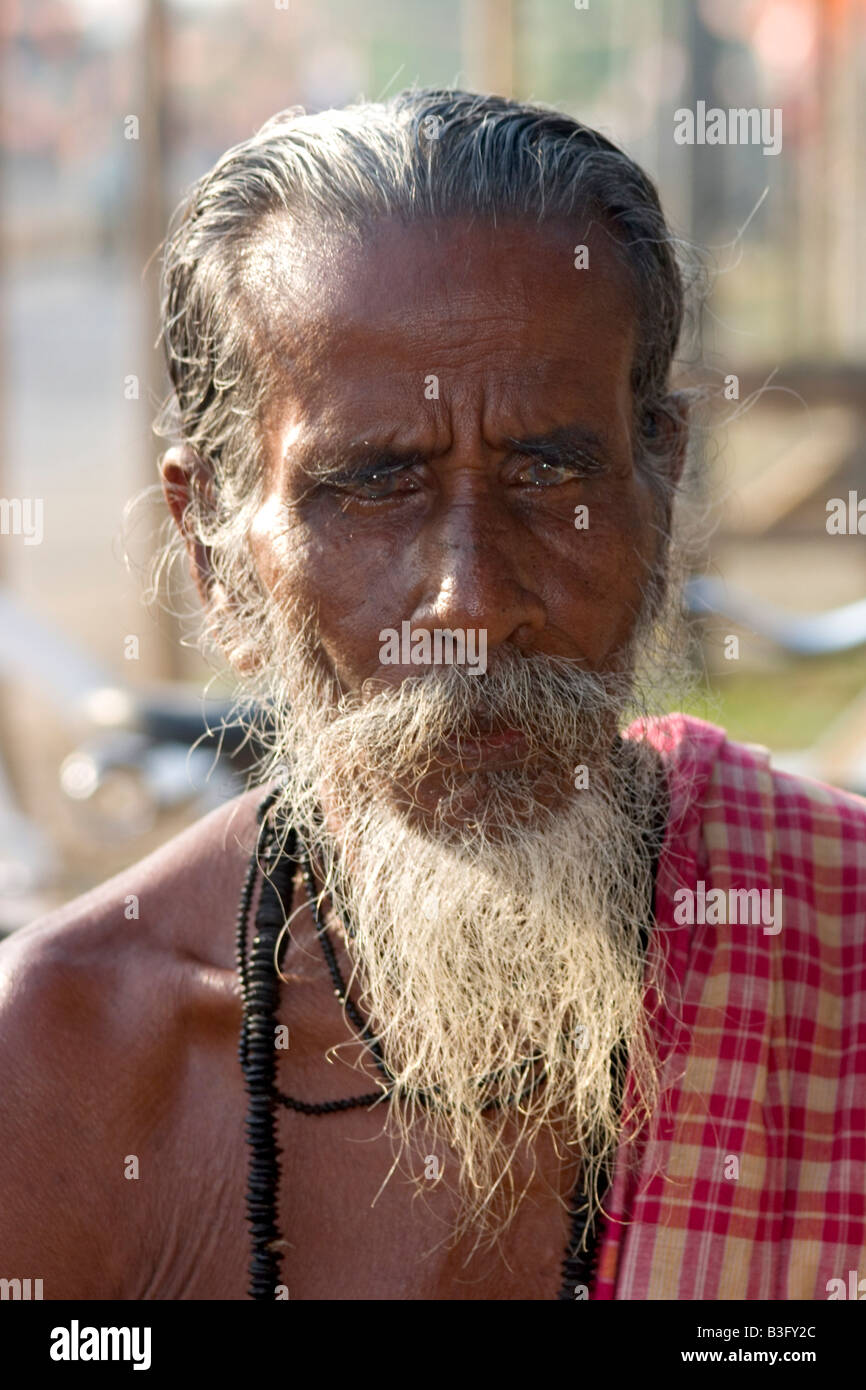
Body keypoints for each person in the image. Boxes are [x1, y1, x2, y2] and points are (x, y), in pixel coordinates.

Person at [1, 89, 864, 1302]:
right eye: (370, 485)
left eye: (548, 471)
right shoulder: (63, 1067)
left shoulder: (837, 961)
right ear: (210, 547)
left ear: (657, 481)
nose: (470, 599)